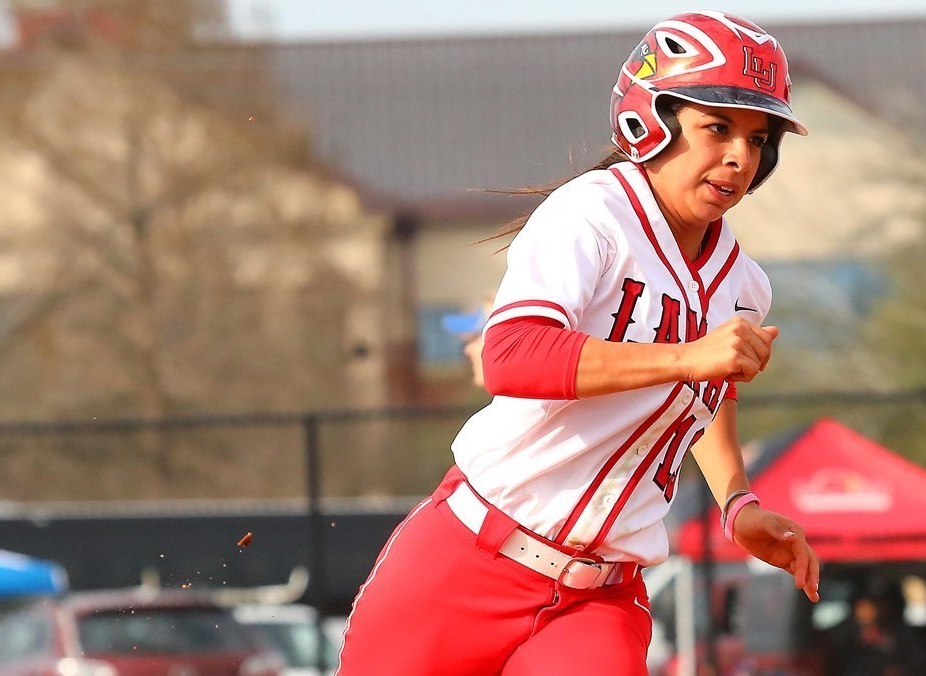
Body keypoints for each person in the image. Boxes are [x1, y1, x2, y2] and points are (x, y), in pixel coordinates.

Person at [336, 11, 820, 675]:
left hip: (597, 598)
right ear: (650, 119)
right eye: (717, 126)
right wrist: (688, 355)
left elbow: (702, 399)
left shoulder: (743, 284)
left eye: (759, 137)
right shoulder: (590, 215)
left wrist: (737, 501)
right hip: (469, 561)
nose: (741, 155)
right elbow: (510, 356)